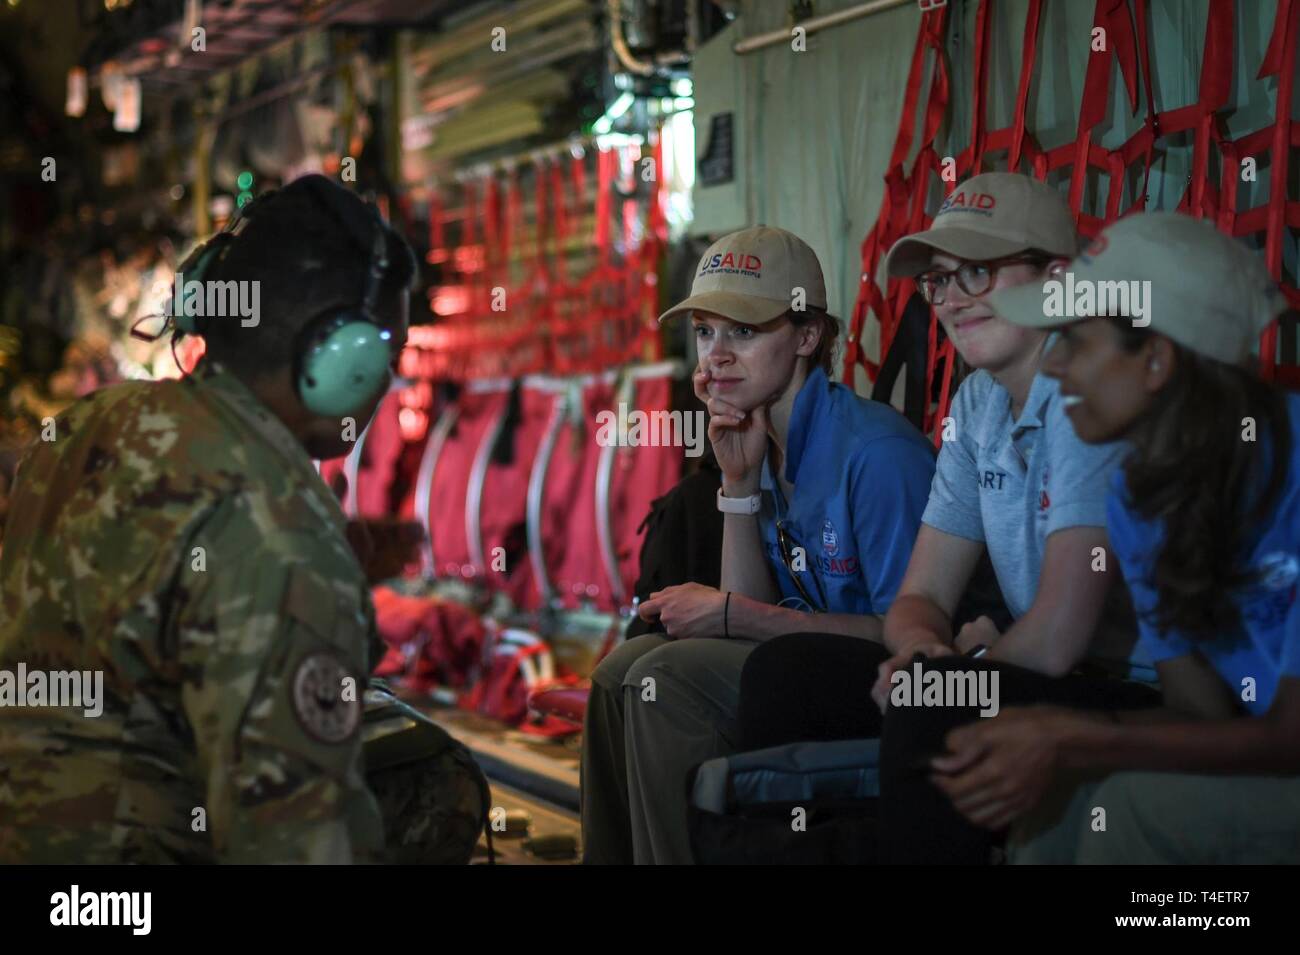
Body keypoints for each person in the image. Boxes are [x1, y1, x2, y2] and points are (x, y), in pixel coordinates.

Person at [0, 175, 485, 864]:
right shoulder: (284, 536)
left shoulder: (85, 427)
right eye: (387, 350)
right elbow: (294, 843)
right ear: (337, 361)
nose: (386, 379)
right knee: (442, 780)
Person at [736, 172, 1159, 864]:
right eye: (939, 281)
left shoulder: (1092, 395)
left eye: (979, 273)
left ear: (1057, 278)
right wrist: (923, 652)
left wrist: (948, 671)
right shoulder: (978, 406)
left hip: (1128, 688)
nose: (952, 299)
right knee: (787, 673)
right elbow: (920, 595)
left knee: (932, 705)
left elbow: (1058, 638)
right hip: (1035, 668)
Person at [932, 211, 1299, 863]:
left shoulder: (1288, 465)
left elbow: (1289, 735)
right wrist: (1059, 737)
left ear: (1156, 359)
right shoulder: (1140, 495)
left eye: (1075, 341)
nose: (1058, 368)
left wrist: (1077, 735)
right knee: (1055, 805)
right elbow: (1199, 711)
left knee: (1124, 804)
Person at [581, 225, 936, 864]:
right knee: (615, 674)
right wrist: (738, 485)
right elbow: (744, 619)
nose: (715, 356)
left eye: (743, 332)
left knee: (663, 677)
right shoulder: (758, 438)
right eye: (705, 332)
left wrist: (731, 613)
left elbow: (908, 635)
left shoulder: (876, 454)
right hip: (793, 666)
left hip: (885, 681)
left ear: (806, 337)